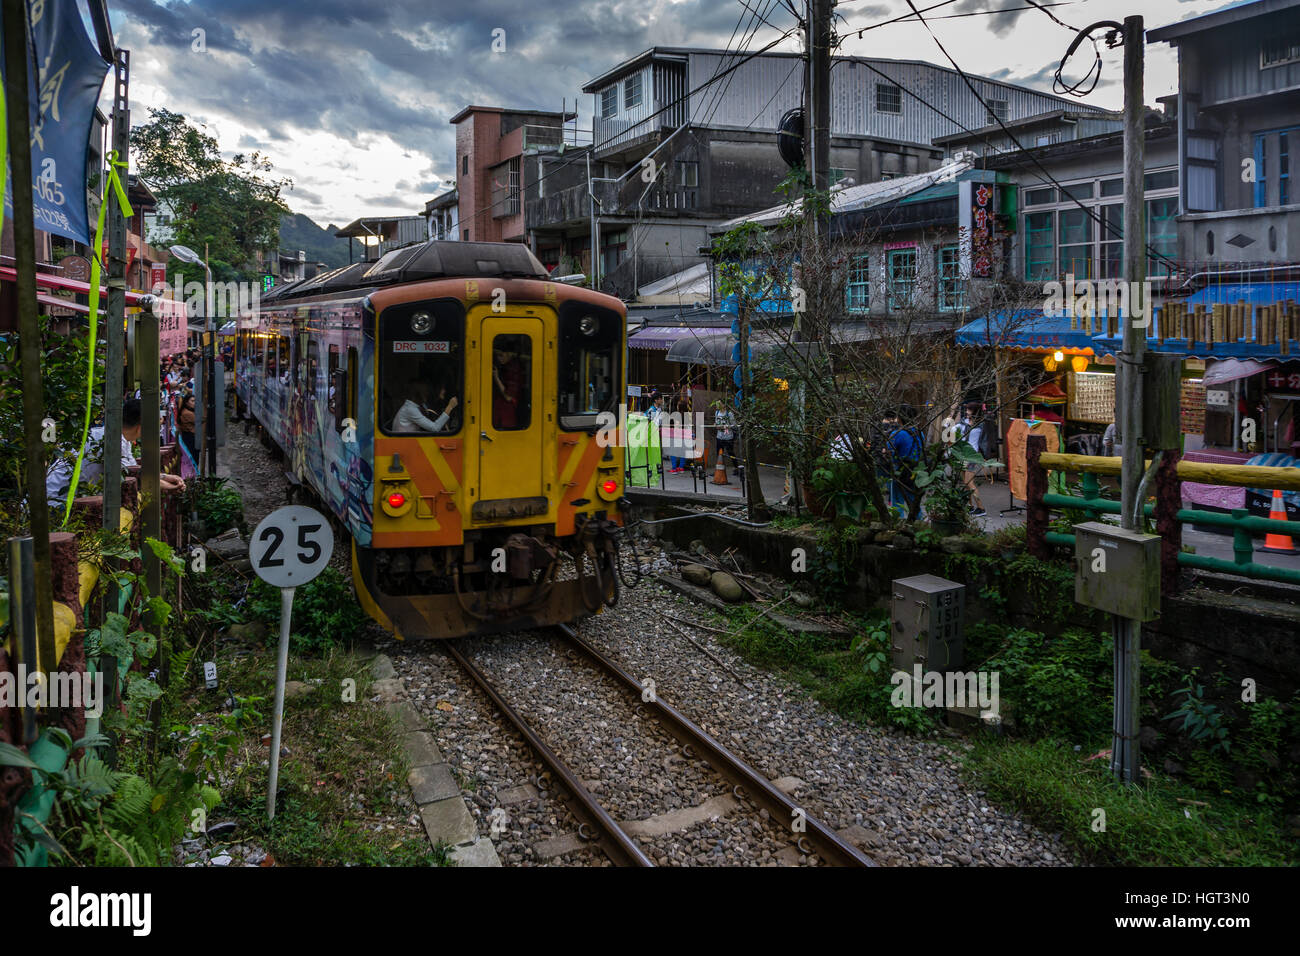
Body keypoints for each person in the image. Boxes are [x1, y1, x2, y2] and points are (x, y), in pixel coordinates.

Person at [46, 398, 186, 504]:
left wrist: (165, 478)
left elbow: (135, 470)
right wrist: (169, 486)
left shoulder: (120, 438)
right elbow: (132, 476)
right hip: (57, 501)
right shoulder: (112, 440)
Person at [393, 380, 458, 433]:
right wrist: (450, 407)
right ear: (419, 395)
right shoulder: (410, 409)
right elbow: (435, 428)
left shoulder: (414, 406)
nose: (427, 394)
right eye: (425, 392)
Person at [957, 404, 986, 517]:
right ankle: (970, 507)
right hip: (962, 454)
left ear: (975, 411)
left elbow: (984, 441)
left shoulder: (981, 425)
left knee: (970, 482)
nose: (967, 411)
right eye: (966, 409)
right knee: (965, 483)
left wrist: (984, 454)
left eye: (969, 409)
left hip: (972, 455)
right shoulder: (963, 422)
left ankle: (981, 507)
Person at [492, 346, 525, 428]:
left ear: (509, 354)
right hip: (500, 412)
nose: (499, 358)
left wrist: (496, 378)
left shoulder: (514, 371)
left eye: (501, 355)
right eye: (497, 356)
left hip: (507, 415)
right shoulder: (504, 367)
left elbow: (508, 397)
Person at [713, 401, 736, 470]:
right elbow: (716, 422)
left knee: (731, 453)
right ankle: (719, 470)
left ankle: (737, 468)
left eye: (719, 403)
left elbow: (734, 424)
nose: (718, 405)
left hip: (728, 437)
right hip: (719, 437)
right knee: (719, 454)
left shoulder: (729, 413)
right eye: (717, 404)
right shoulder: (717, 413)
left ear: (724, 405)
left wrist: (725, 426)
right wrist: (715, 425)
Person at [179, 393, 198, 462]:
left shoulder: (189, 411)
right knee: (193, 459)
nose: (194, 403)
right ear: (186, 403)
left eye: (195, 401)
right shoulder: (187, 413)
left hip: (191, 437)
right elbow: (200, 420)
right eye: (192, 401)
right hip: (190, 438)